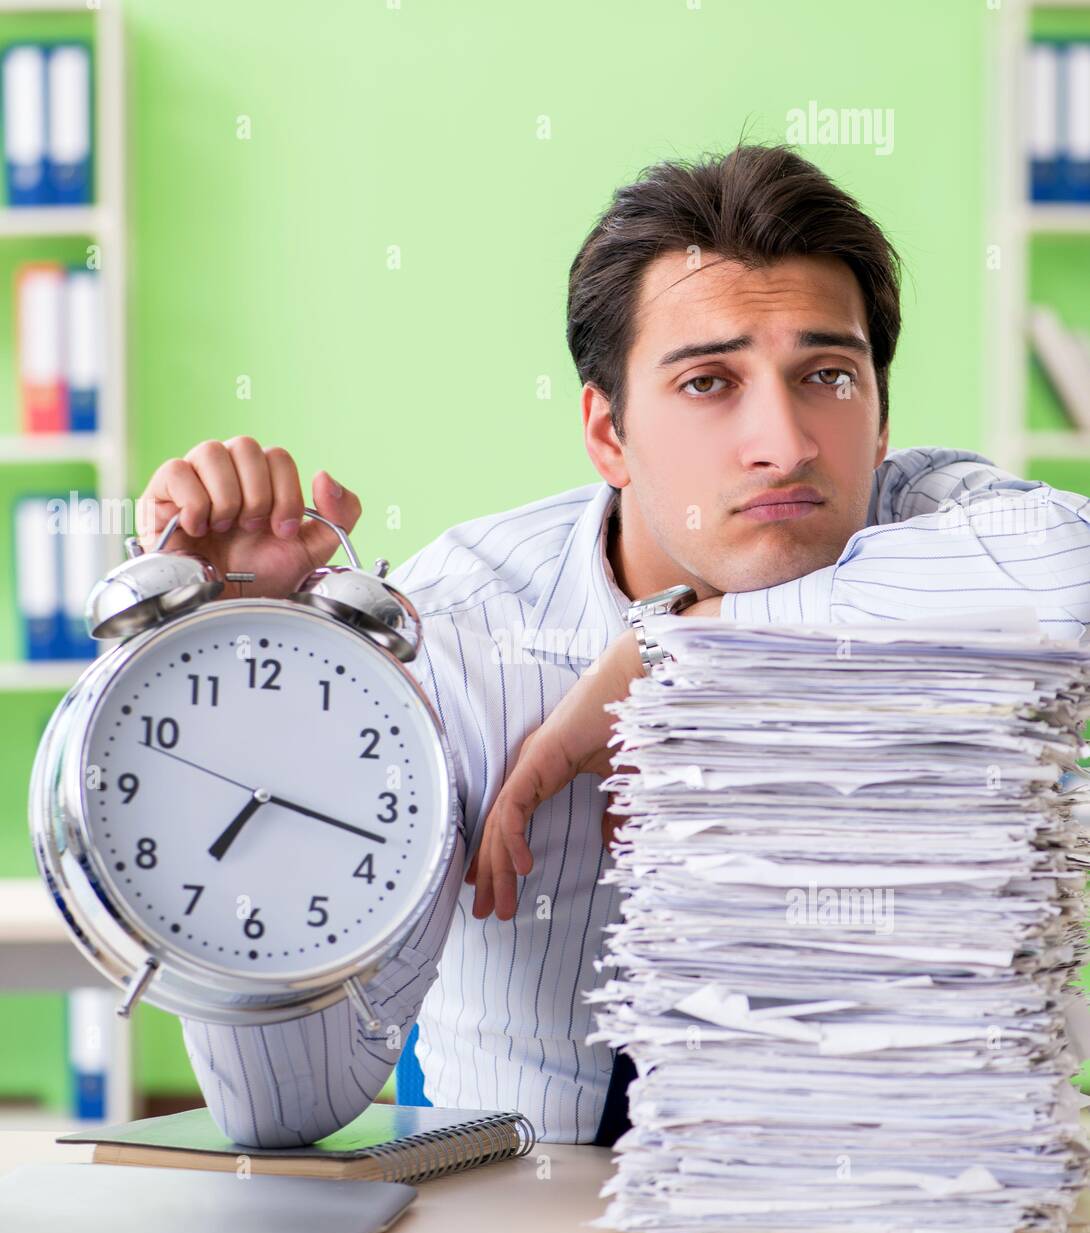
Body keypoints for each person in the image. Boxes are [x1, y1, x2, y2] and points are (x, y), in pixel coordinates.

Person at [135, 143, 1090, 1147]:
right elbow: (284, 1105)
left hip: (879, 1212)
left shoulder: (945, 531)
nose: (786, 441)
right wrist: (242, 683)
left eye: (826, 375)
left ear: (882, 417)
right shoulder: (459, 626)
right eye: (708, 383)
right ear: (608, 436)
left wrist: (680, 650)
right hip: (524, 1224)